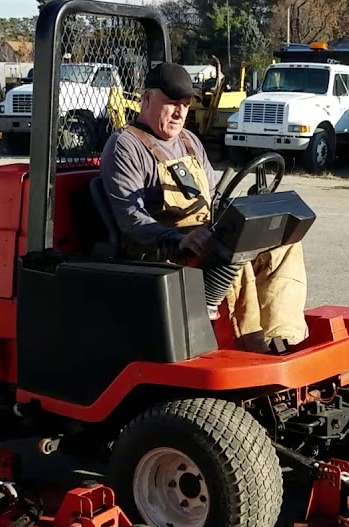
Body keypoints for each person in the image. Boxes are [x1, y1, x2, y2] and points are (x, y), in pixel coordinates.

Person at [99, 61, 309, 353]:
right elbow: (132, 220)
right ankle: (250, 349)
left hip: (203, 236)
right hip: (159, 251)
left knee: (283, 243)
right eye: (172, 103)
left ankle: (284, 341)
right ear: (147, 98)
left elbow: (213, 198)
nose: (179, 113)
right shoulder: (126, 146)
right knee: (233, 255)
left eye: (184, 105)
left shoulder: (189, 141)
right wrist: (178, 239)